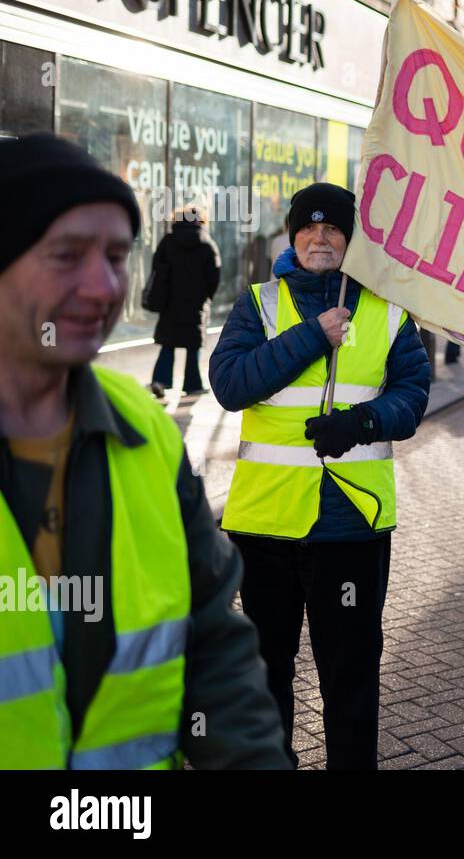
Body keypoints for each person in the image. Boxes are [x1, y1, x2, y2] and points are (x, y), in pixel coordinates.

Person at [0, 134, 288, 769]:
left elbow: (213, 648)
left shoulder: (147, 432)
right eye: (66, 255)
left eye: (115, 256)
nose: (104, 286)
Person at [210, 182, 431, 769]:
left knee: (350, 681)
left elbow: (412, 397)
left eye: (333, 227)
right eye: (309, 227)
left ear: (350, 238)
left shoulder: (386, 310)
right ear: (292, 234)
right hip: (265, 529)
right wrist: (313, 335)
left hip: (351, 528)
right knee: (264, 679)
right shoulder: (258, 303)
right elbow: (230, 386)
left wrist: (362, 421)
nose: (321, 237)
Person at [147, 203, 221, 398]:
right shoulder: (207, 244)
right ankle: (192, 383)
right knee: (193, 344)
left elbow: (157, 269)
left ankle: (160, 381)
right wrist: (206, 297)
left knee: (168, 344)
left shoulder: (168, 241)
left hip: (170, 302)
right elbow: (214, 276)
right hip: (196, 303)